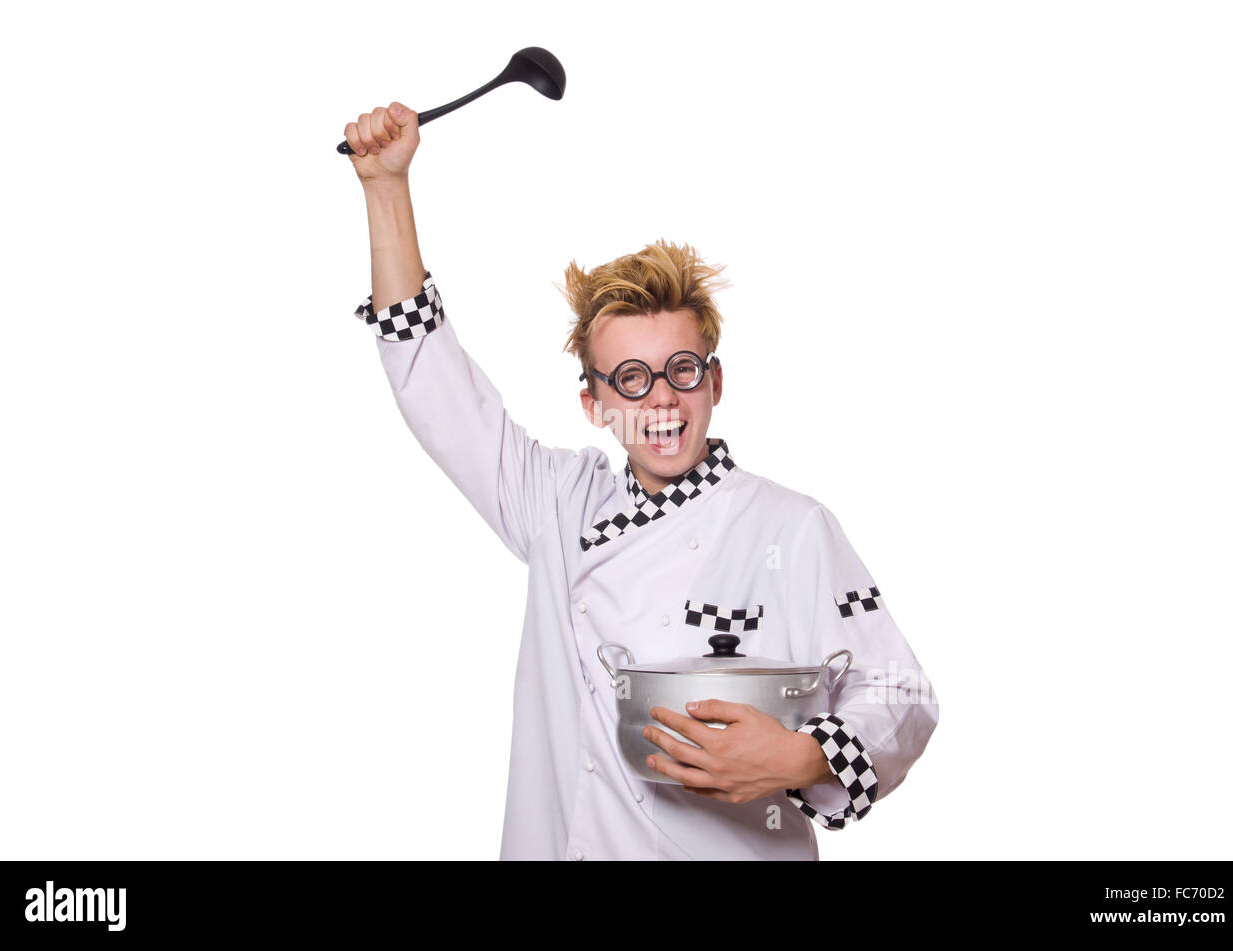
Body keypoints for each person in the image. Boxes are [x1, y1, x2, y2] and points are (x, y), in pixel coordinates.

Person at [342, 101, 939, 860]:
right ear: (592, 404)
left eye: (680, 370)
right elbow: (432, 383)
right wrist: (386, 190)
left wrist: (798, 757)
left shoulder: (791, 529)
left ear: (714, 381)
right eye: (630, 378)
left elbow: (902, 694)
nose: (660, 398)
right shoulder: (557, 502)